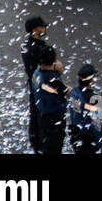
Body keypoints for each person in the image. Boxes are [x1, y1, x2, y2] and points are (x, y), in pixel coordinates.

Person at [31, 44, 67, 155]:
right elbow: (66, 91)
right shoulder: (52, 80)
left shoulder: (37, 72)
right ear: (55, 59)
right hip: (53, 118)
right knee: (54, 148)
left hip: (42, 115)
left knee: (46, 144)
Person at [21, 15, 48, 152]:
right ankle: (39, 142)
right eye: (42, 26)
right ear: (35, 30)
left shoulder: (29, 44)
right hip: (40, 84)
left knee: (35, 112)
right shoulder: (37, 48)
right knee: (39, 113)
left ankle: (35, 140)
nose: (45, 28)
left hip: (34, 83)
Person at [68, 63, 102, 154]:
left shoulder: (73, 93)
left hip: (76, 135)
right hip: (89, 140)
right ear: (92, 80)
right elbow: (98, 125)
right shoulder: (95, 98)